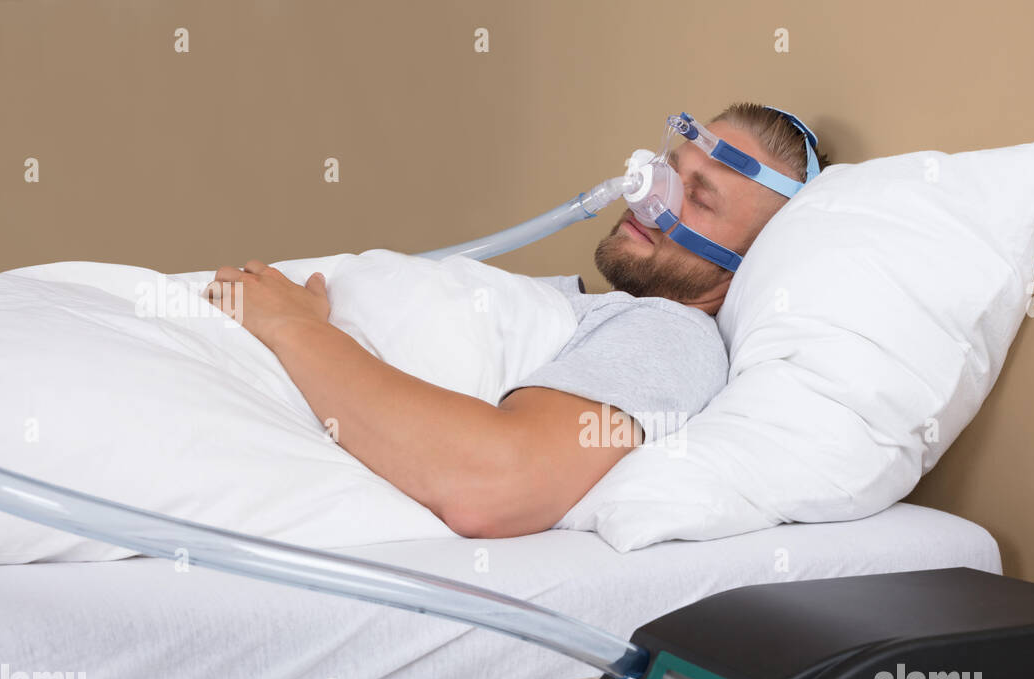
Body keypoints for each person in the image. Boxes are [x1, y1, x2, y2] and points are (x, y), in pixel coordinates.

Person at [203, 103, 829, 538]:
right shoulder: (579, 311)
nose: (651, 194)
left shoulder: (673, 336)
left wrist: (296, 329)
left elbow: (497, 481)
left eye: (699, 198)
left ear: (745, 263)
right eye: (671, 168)